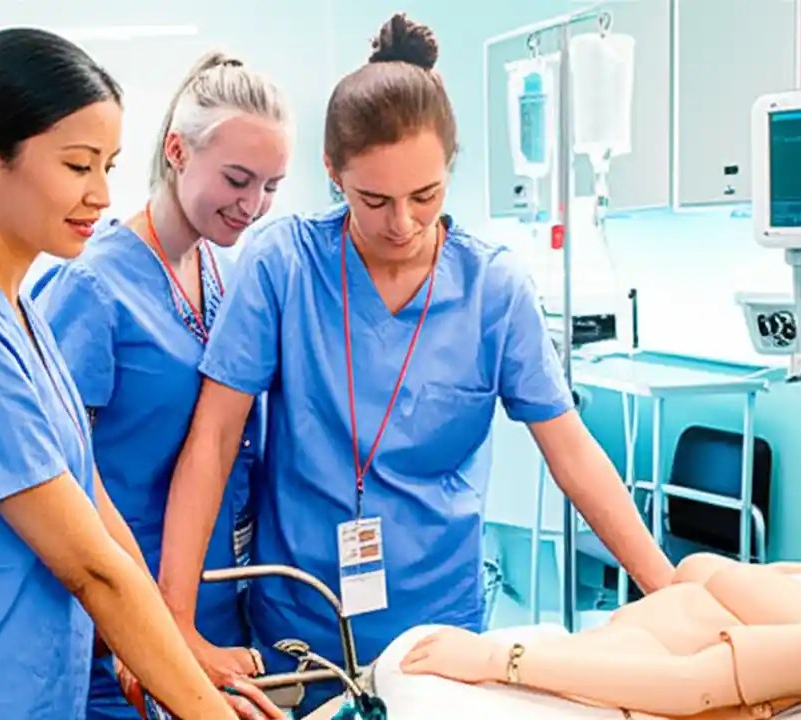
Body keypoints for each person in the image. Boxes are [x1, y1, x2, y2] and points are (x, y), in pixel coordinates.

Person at [156, 13, 675, 714]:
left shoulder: (492, 289)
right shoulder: (283, 267)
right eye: (373, 200)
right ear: (333, 174)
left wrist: (668, 593)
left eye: (426, 197)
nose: (402, 224)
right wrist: (174, 624)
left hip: (441, 633)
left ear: (450, 170)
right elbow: (213, 441)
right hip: (299, 627)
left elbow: (572, 454)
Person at [0, 28, 265, 719]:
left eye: (108, 167)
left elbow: (95, 511)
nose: (99, 194)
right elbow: (89, 567)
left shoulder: (16, 308)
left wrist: (165, 659)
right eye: (76, 165)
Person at [31, 47, 290, 719]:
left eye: (270, 186)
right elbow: (59, 484)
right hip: (122, 629)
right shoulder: (92, 288)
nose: (253, 205)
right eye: (237, 179)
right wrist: (147, 631)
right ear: (177, 150)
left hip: (214, 612)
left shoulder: (218, 273)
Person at [397, 497, 801, 718]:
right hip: (558, 675)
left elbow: (685, 687)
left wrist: (499, 658)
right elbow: (695, 584)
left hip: (585, 702)